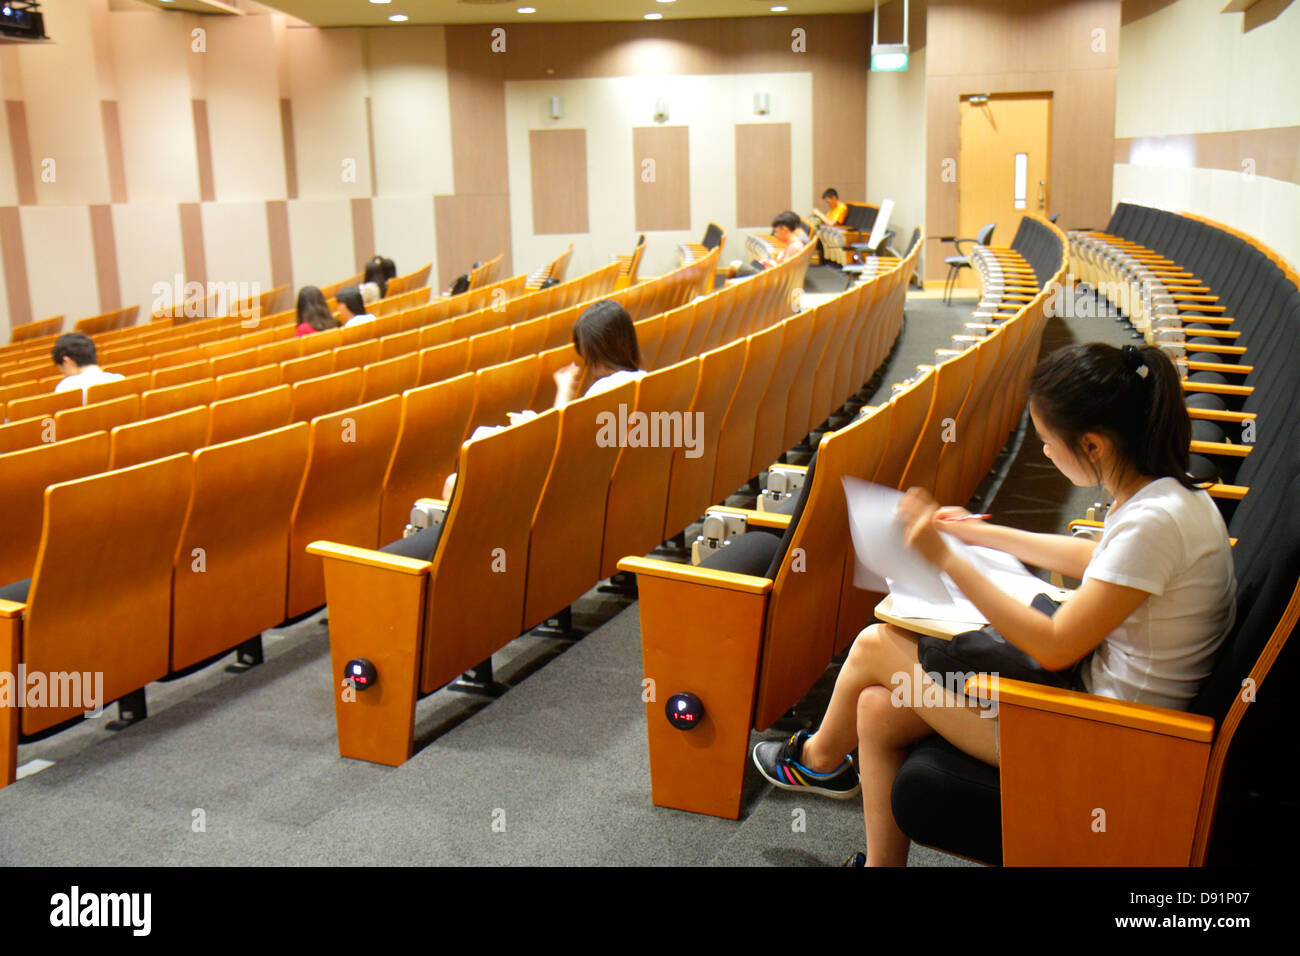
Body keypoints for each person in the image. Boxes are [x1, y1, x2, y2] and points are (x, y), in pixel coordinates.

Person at [751, 342, 1236, 866]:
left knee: (875, 644)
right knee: (876, 709)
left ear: (1092, 445)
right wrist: (982, 538)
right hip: (1095, 710)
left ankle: (819, 759)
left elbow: (1053, 646)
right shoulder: (1169, 498)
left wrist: (948, 560)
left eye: (1048, 442)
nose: (1046, 452)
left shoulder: (1153, 522)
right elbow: (1098, 557)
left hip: (1098, 741)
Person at [440, 300, 647, 499]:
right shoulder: (642, 379)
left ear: (593, 351)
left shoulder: (604, 390)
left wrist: (533, 425)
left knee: (455, 480)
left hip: (568, 494)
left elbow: (560, 447)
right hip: (606, 489)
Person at [728, 211, 807, 278]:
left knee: (735, 265)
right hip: (771, 273)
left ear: (784, 230)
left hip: (770, 277)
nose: (775, 235)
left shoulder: (794, 247)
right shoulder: (794, 244)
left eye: (776, 231)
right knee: (736, 268)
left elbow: (782, 271)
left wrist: (770, 263)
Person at [51, 333, 124, 397]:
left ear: (67, 361)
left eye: (63, 370)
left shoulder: (66, 387)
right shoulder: (120, 379)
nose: (65, 374)